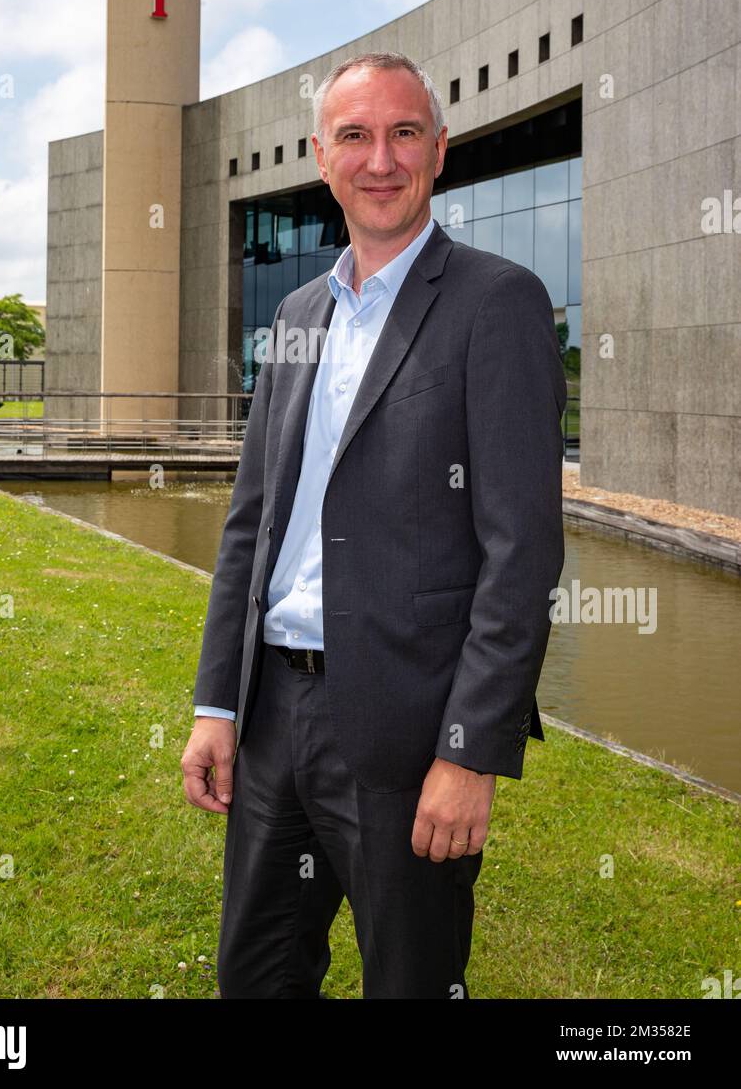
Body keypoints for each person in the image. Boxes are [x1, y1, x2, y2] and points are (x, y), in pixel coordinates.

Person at [181, 50, 566, 999]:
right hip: (273, 718)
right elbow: (250, 528)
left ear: (439, 151)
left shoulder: (496, 302)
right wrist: (216, 705)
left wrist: (470, 752)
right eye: (356, 136)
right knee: (256, 976)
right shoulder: (301, 315)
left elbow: (521, 555)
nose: (380, 159)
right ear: (323, 156)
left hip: (411, 731)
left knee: (411, 981)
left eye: (403, 134)